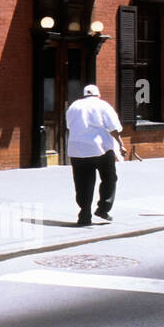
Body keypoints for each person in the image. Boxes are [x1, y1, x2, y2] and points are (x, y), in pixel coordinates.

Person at [65, 84, 124, 226]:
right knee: (109, 178)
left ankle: (84, 214)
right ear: (98, 95)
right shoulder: (103, 105)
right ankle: (103, 208)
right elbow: (113, 128)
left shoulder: (73, 106)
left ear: (84, 94)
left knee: (82, 182)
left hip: (77, 149)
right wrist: (121, 144)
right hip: (100, 148)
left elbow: (69, 126)